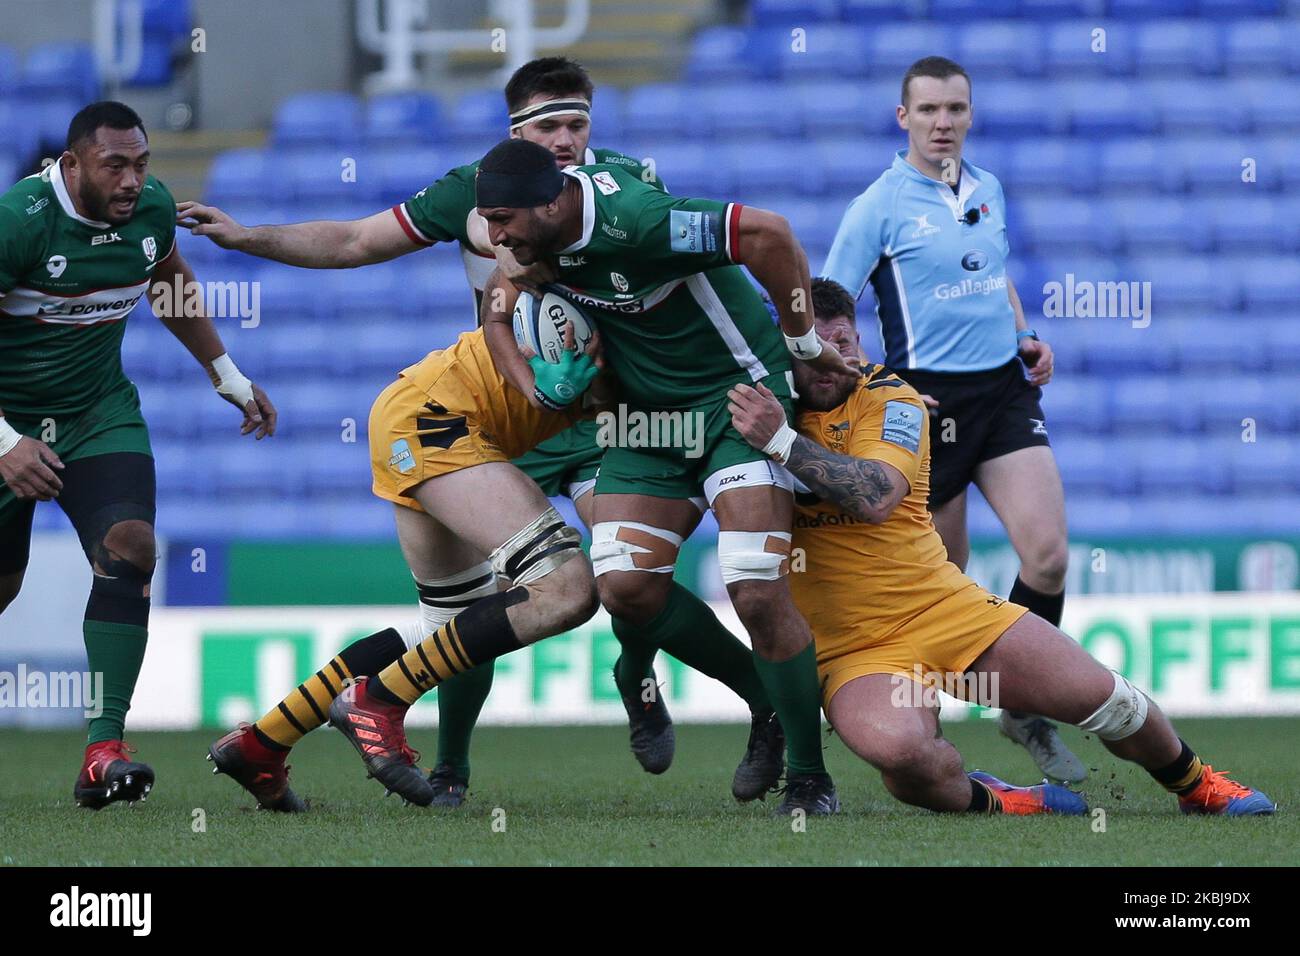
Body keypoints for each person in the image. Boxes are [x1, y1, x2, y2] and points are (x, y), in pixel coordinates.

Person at [195, 58, 781, 811]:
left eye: (577, 124)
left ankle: (267, 740)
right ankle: (446, 764)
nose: (565, 139)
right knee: (504, 611)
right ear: (515, 132)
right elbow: (353, 242)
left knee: (611, 581)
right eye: (548, 126)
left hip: (584, 416)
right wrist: (249, 239)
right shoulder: (479, 194)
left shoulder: (626, 189)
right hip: (495, 419)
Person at [725, 278, 1275, 817]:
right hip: (851, 652)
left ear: (858, 341)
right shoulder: (756, 408)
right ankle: (1007, 799)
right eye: (815, 348)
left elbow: (875, 495)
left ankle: (1196, 783)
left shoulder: (890, 398)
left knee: (1110, 702)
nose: (833, 359)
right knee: (909, 759)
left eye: (844, 343)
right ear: (787, 349)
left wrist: (780, 442)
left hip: (945, 609)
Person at [464, 138, 858, 815]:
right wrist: (533, 385)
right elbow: (498, 305)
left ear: (553, 202)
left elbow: (771, 232)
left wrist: (799, 340)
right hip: (646, 419)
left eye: (503, 219)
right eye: (488, 220)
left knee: (757, 589)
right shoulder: (525, 245)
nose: (493, 235)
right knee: (625, 588)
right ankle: (764, 700)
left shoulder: (639, 220)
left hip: (738, 402)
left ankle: (809, 773)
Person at [0, 101, 275, 809]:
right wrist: (5, 443)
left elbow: (169, 278)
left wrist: (227, 375)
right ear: (70, 165)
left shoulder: (149, 210)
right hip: (6, 421)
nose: (132, 180)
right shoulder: (19, 222)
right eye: (114, 165)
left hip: (97, 413)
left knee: (131, 545)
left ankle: (103, 750)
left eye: (142, 163)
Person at [821, 56, 1083, 782]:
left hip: (1001, 394)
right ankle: (923, 733)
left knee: (1050, 554)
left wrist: (1024, 335)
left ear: (971, 114)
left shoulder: (987, 187)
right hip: (926, 406)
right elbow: (828, 311)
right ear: (902, 118)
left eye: (956, 110)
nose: (944, 123)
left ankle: (1022, 711)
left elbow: (991, 274)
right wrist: (882, 389)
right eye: (929, 110)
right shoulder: (877, 204)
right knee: (940, 580)